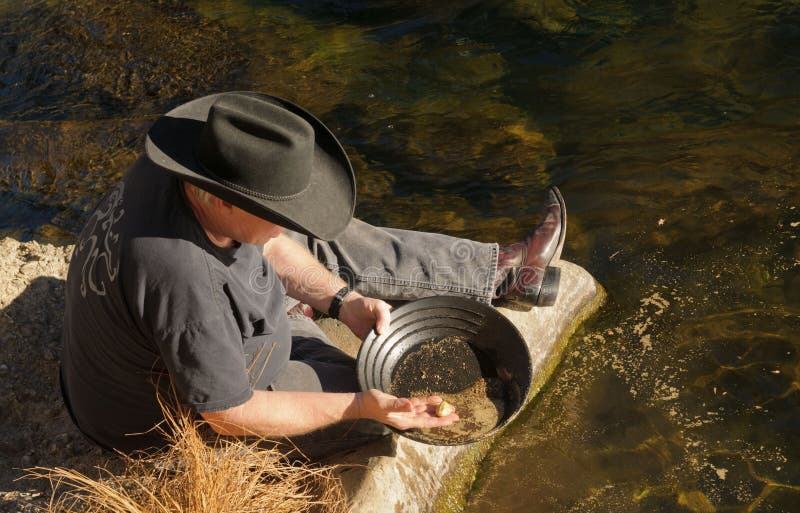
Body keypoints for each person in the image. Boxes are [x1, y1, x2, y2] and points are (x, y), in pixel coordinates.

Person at [60, 92, 566, 456]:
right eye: (274, 211)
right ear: (217, 196)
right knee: (382, 401)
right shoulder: (186, 283)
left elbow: (277, 239)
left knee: (317, 239)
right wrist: (361, 407)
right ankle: (333, 366)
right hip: (168, 415)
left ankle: (507, 273)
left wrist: (343, 302)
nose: (286, 224)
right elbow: (228, 413)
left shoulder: (182, 165)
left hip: (212, 333)